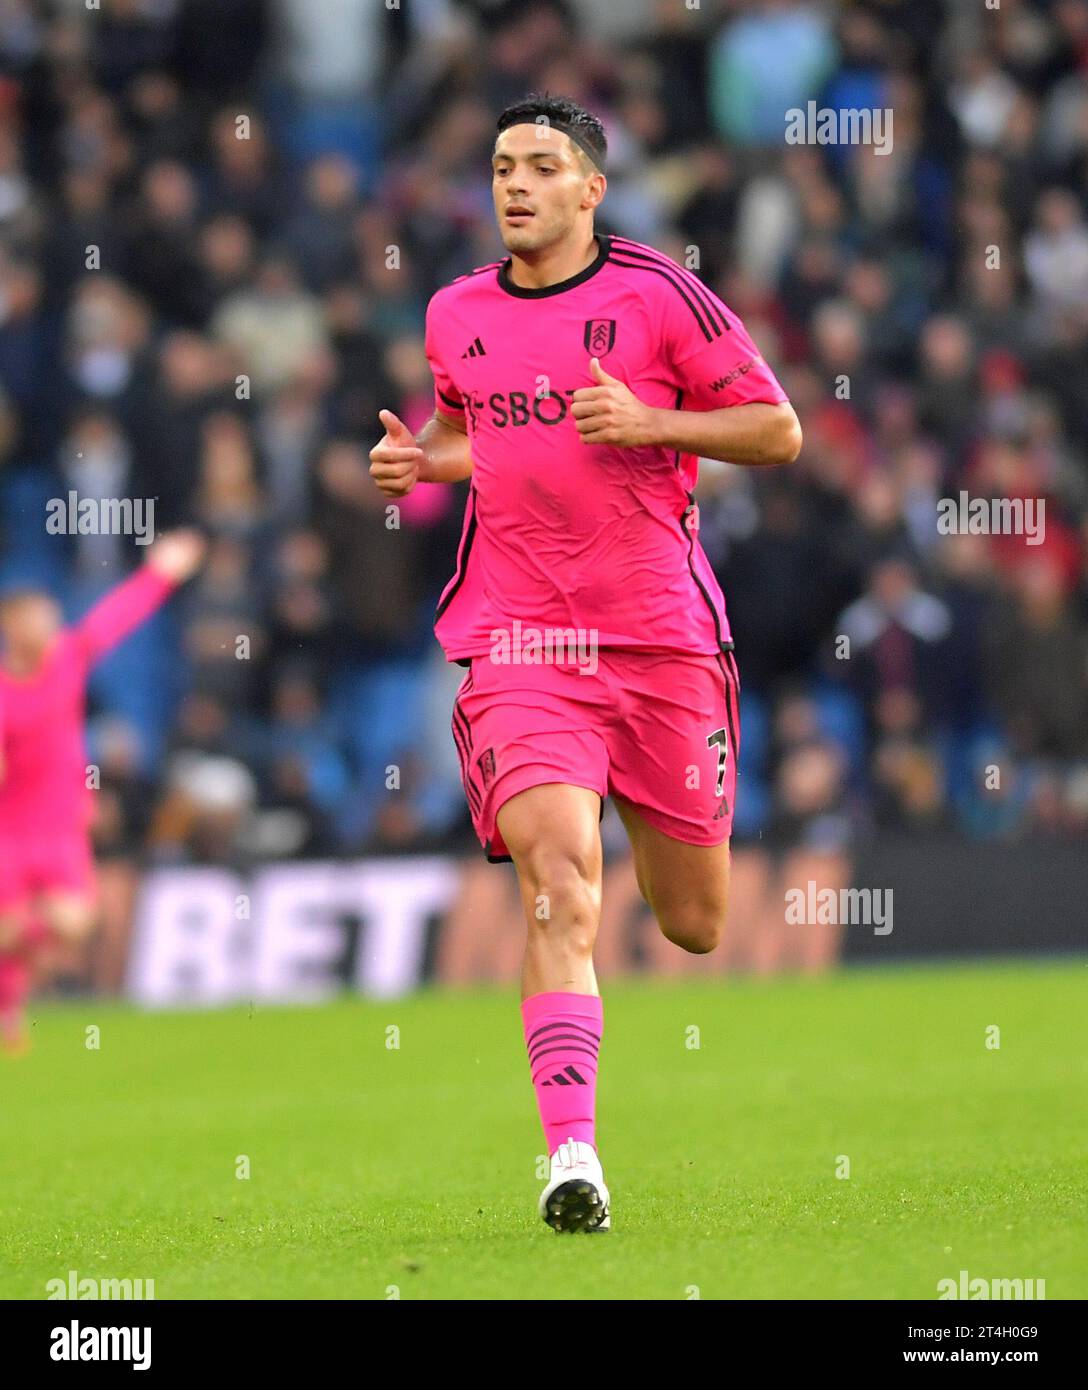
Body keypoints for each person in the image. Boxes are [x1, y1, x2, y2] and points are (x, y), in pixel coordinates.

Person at [369, 95, 801, 1232]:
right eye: (502, 164)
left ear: (588, 190)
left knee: (690, 920)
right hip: (518, 638)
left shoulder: (657, 293)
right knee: (557, 884)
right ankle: (572, 1156)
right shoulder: (454, 309)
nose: (513, 183)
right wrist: (423, 458)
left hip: (662, 640)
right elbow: (475, 434)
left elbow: (777, 430)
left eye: (540, 166)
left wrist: (653, 426)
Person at [0, 530, 207, 1053]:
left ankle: (8, 999)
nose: (49, 629)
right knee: (6, 931)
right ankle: (8, 1011)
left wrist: (160, 573)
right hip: (9, 829)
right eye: (36, 621)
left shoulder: (67, 660)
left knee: (73, 922)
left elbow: (114, 619)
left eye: (50, 618)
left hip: (60, 827)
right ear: (12, 630)